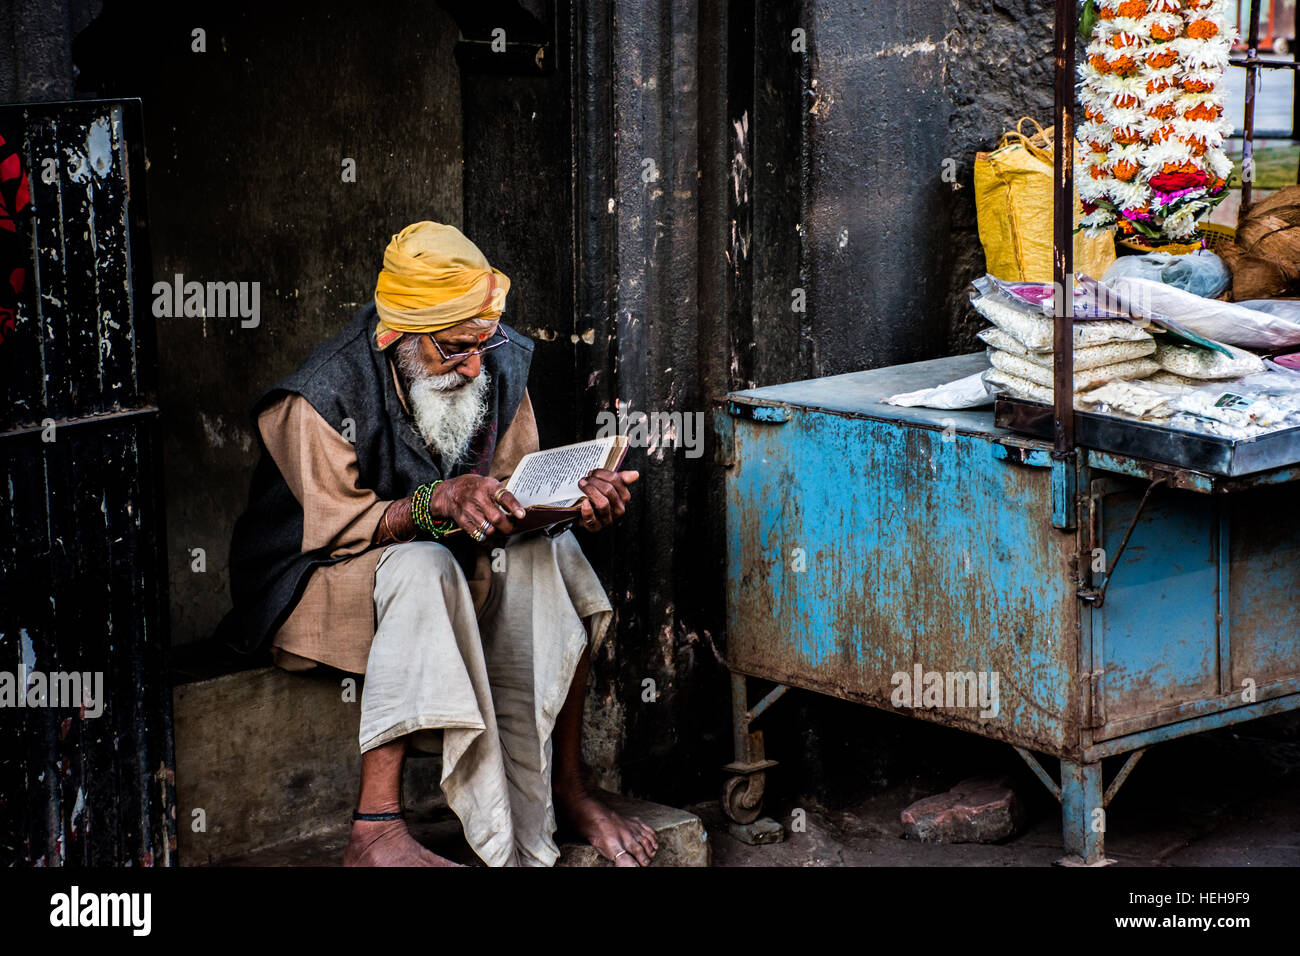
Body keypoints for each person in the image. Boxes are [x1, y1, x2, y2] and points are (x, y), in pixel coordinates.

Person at [221, 221, 658, 867]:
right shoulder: (315, 397)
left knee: (554, 555)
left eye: (483, 342)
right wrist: (434, 502)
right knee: (420, 565)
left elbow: (513, 488)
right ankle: (374, 827)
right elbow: (337, 529)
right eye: (455, 350)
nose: (475, 364)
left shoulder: (495, 358)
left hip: (448, 559)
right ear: (397, 335)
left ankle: (566, 788)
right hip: (312, 577)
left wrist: (573, 508)